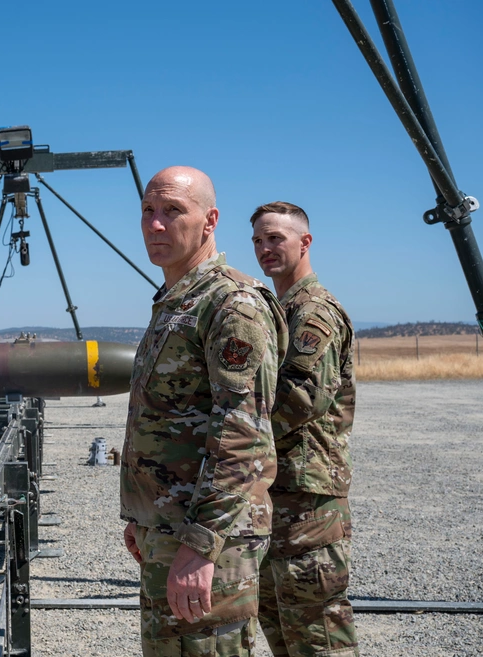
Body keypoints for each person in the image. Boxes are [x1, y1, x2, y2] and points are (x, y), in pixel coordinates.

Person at [121, 166, 287, 656]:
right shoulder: (178, 301)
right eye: (148, 211)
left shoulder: (231, 303)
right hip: (169, 530)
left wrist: (200, 543)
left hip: (211, 538)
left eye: (173, 211)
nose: (156, 224)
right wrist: (143, 516)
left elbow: (242, 434)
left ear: (209, 220)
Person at [250, 202, 359, 657]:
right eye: (258, 240)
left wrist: (233, 430)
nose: (265, 249)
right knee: (281, 622)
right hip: (281, 489)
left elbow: (300, 400)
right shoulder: (281, 307)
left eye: (275, 238)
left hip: (308, 495)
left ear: (304, 242)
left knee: (315, 629)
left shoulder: (312, 312)